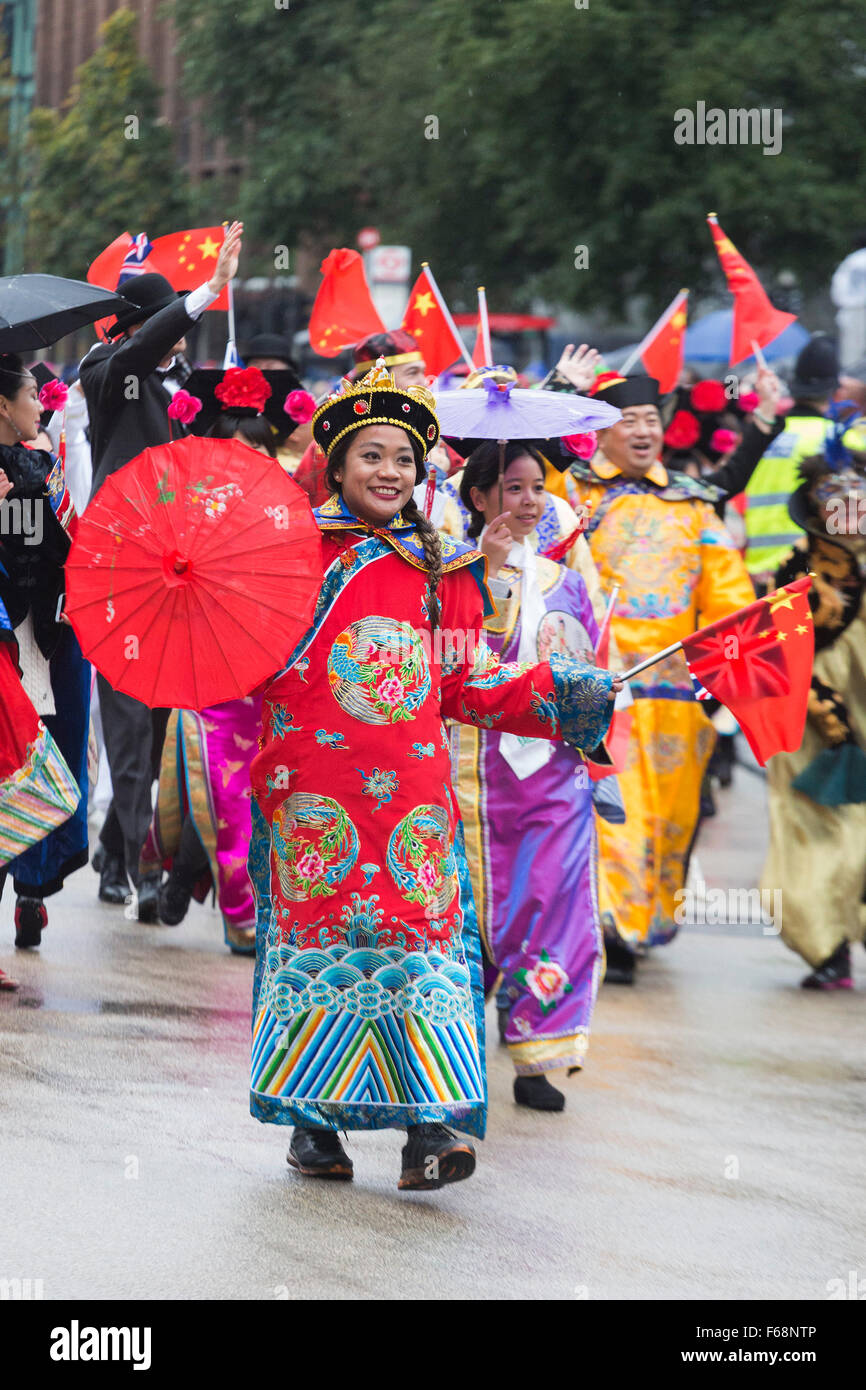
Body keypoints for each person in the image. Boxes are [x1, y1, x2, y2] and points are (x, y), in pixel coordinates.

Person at [247, 362, 618, 1187]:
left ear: (423, 472)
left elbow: (464, 681)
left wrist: (564, 693)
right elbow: (247, 665)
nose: (389, 472)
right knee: (324, 952)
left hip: (414, 800)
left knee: (423, 955)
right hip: (312, 793)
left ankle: (429, 1131)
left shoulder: (444, 568)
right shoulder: (286, 552)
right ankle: (314, 1126)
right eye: (371, 455)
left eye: (405, 459)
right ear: (337, 462)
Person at [567, 372, 755, 983]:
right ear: (602, 430)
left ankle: (641, 923)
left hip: (675, 690)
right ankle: (612, 931)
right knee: (616, 810)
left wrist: (719, 684)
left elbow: (727, 597)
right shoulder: (577, 495)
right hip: (605, 685)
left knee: (668, 819)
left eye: (651, 418)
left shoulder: (694, 503)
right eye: (630, 420)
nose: (644, 430)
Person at [79, 223, 243, 919]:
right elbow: (144, 345)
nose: (181, 335)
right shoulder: (106, 372)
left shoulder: (181, 389)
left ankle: (121, 848)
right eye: (172, 319)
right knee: (125, 721)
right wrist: (209, 288)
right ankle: (143, 863)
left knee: (164, 715)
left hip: (177, 569)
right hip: (119, 571)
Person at [451, 441, 610, 1112]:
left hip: (550, 778)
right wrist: (484, 578)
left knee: (550, 905)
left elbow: (591, 664)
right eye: (512, 488)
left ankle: (536, 1055)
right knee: (465, 914)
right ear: (480, 497)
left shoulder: (564, 580)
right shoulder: (448, 575)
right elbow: (450, 668)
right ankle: (451, 1051)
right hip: (471, 775)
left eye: (536, 488)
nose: (528, 502)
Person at [139, 366, 293, 953]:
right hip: (209, 669)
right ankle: (240, 913)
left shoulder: (287, 508)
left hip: (268, 673)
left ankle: (185, 869)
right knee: (221, 792)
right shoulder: (186, 504)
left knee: (258, 793)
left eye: (258, 443)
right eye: (236, 443)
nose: (249, 453)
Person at [761, 436, 866, 988]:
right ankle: (827, 945)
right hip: (811, 730)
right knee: (815, 827)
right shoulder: (797, 572)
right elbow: (782, 650)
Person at [0, 354, 88, 952]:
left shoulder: (44, 468)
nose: (41, 404)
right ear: (4, 405)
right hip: (7, 639)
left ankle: (30, 889)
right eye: (32, 394)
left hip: (46, 642)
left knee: (40, 763)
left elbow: (70, 548)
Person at [743, 334, 840, 587]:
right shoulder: (835, 440)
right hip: (809, 575)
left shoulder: (760, 437)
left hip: (759, 577)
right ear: (834, 391)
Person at [292, 329, 427, 508]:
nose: (424, 382)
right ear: (380, 377)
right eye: (412, 373)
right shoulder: (330, 443)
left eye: (404, 459)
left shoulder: (434, 441)